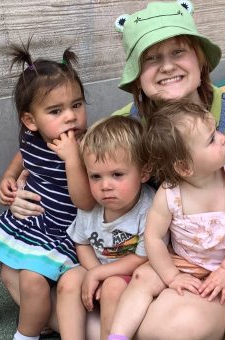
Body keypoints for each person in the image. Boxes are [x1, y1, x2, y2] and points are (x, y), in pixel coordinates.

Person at [2, 2, 225, 338]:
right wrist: (20, 192)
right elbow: (74, 166)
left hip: (222, 268)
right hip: (145, 260)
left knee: (173, 329)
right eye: (151, 58)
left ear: (201, 58)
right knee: (17, 277)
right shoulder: (123, 125)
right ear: (136, 72)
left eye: (178, 51)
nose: (167, 66)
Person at [0, 40, 94, 340]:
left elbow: (85, 202)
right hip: (25, 219)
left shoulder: (88, 146)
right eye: (55, 110)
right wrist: (7, 178)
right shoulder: (34, 140)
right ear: (30, 120)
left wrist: (73, 159)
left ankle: (27, 335)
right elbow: (22, 155)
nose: (70, 116)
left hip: (62, 232)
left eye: (76, 105)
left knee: (33, 280)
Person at [108, 101, 225, 340]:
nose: (222, 138)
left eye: (217, 130)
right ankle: (117, 335)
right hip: (182, 261)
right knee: (142, 277)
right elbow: (154, 237)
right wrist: (171, 275)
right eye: (211, 139)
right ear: (185, 167)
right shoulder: (170, 194)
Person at [56, 115, 155, 340]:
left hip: (132, 279)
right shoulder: (91, 206)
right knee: (69, 281)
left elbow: (143, 258)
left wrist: (101, 274)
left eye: (117, 175)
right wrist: (93, 273)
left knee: (112, 287)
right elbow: (81, 243)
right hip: (97, 271)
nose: (105, 186)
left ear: (144, 172)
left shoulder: (149, 208)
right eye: (95, 176)